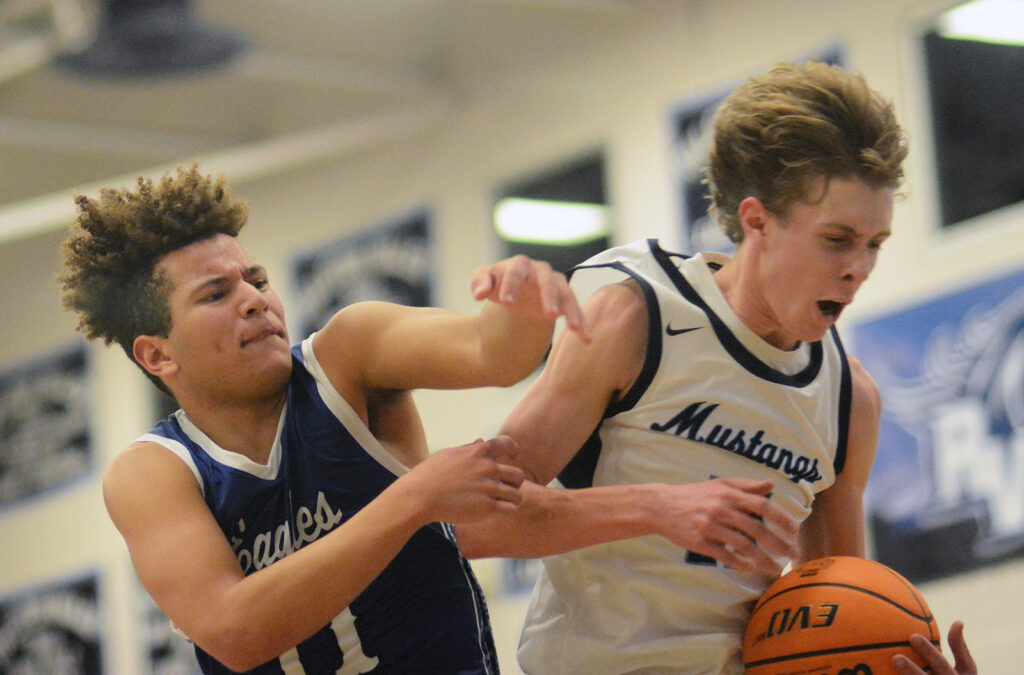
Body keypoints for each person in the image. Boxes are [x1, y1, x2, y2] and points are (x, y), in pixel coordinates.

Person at [458, 60, 916, 674]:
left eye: (875, 244)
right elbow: (470, 524)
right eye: (837, 239)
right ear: (756, 221)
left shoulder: (849, 398)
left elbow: (841, 619)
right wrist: (657, 507)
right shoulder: (636, 318)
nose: (859, 267)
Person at [58, 164, 592, 674]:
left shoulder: (349, 354)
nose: (253, 300)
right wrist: (414, 499)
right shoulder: (153, 473)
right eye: (216, 294)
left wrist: (521, 304)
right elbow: (236, 632)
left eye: (257, 280)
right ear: (157, 355)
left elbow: (493, 354)